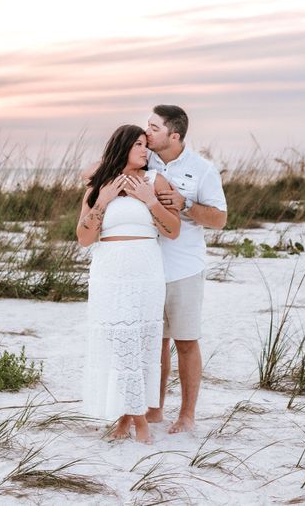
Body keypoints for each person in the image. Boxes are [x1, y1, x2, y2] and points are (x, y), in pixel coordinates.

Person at [77, 125, 180, 443]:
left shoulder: (155, 181)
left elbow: (172, 230)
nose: (145, 150)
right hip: (110, 272)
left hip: (145, 270)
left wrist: (150, 201)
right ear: (123, 147)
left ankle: (130, 419)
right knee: (116, 343)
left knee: (140, 343)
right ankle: (135, 419)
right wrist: (102, 201)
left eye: (146, 145)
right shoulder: (98, 186)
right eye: (138, 144)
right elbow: (84, 238)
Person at [142, 105, 227, 434]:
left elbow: (219, 219)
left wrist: (185, 205)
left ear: (173, 135)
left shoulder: (202, 169)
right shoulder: (141, 158)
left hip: (184, 268)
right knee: (155, 343)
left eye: (154, 128)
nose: (146, 132)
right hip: (146, 267)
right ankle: (154, 410)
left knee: (185, 341)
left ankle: (187, 416)